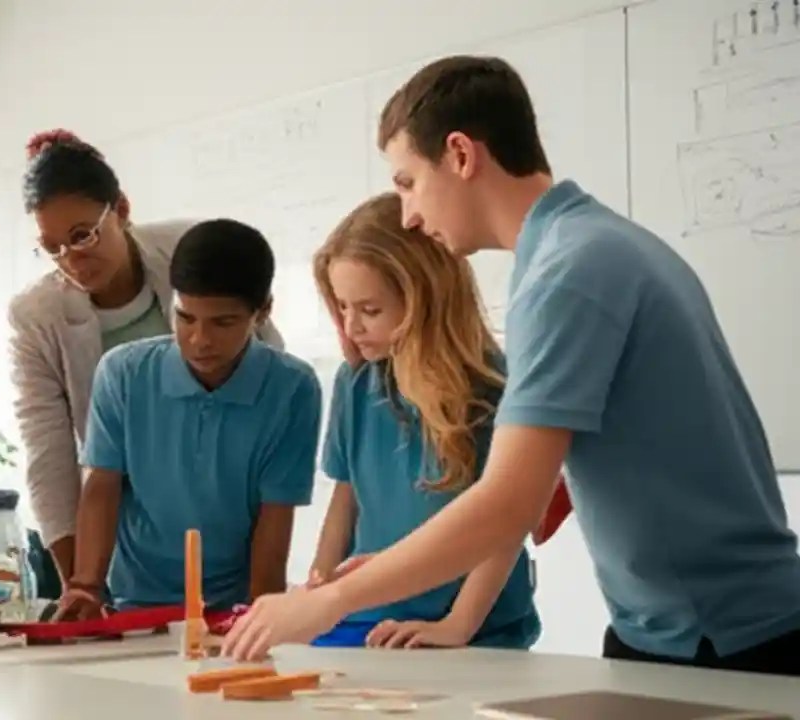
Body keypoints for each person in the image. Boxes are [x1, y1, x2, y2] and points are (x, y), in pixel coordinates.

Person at [224, 55, 800, 677]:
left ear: (461, 155)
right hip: (665, 629)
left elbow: (507, 506)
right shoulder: (589, 246)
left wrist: (328, 601)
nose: (410, 214)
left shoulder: (568, 273)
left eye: (408, 181)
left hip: (722, 639)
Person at [9, 130, 284, 590]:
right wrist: (84, 587)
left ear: (120, 209)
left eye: (82, 235)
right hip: (124, 533)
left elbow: (266, 368)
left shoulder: (192, 249)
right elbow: (49, 456)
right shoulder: (37, 316)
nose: (70, 259)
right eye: (52, 247)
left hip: (229, 503)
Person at [55, 219, 320, 619]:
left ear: (262, 312)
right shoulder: (123, 374)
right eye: (185, 317)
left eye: (223, 322)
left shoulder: (293, 389)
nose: (200, 340)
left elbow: (276, 513)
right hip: (135, 604)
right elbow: (102, 485)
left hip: (229, 609)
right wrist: (86, 587)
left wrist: (259, 610)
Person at [307, 194, 539, 651]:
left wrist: (457, 625)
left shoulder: (491, 386)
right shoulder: (356, 379)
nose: (352, 327)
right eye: (342, 307)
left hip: (473, 627)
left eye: (370, 310)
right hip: (372, 618)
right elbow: (346, 497)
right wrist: (319, 590)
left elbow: (506, 522)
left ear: (423, 299)